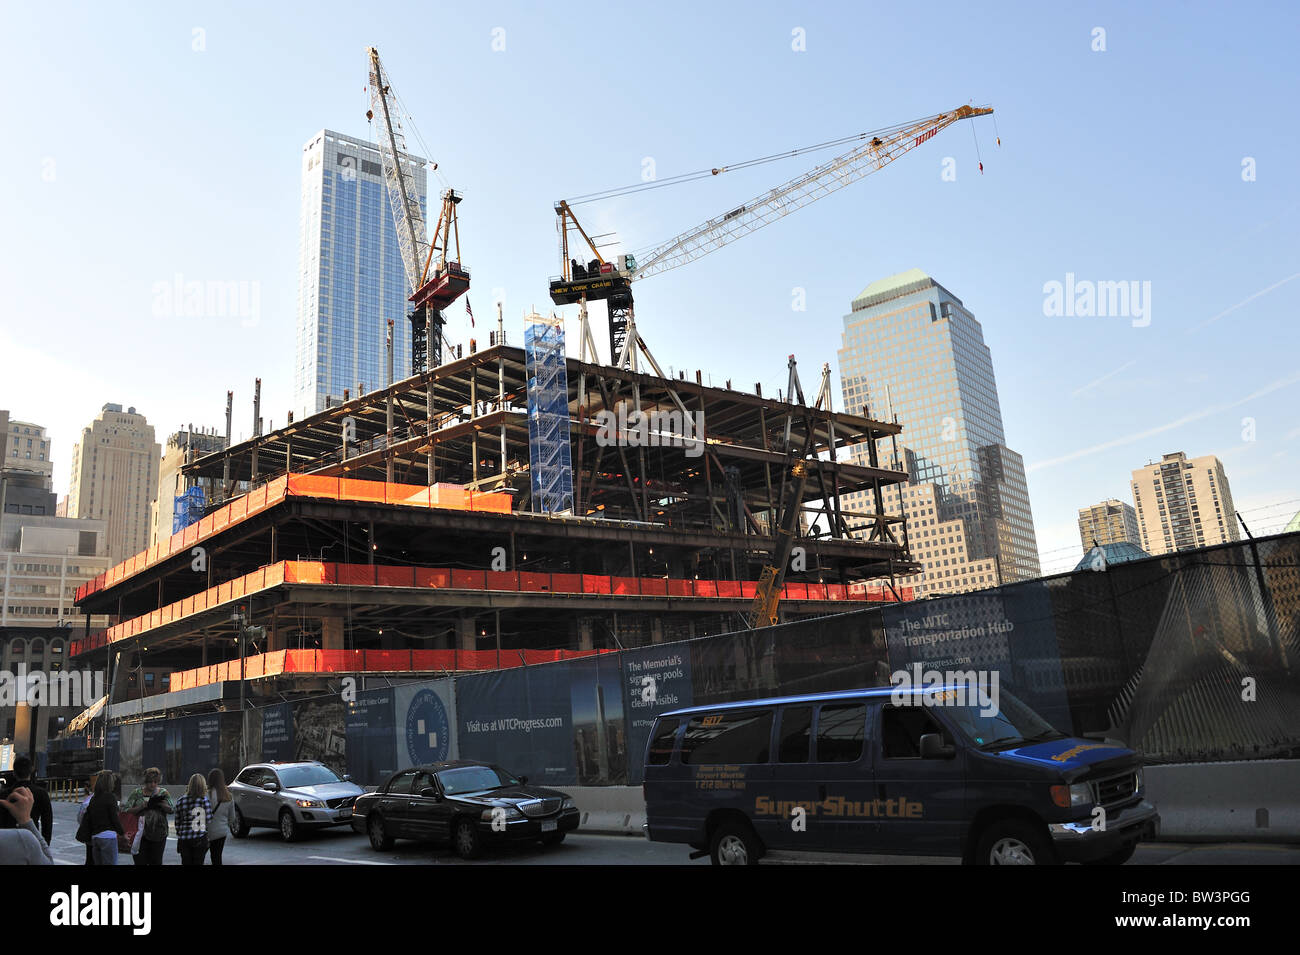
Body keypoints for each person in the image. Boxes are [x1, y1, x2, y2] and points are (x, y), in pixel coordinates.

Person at [124, 768, 174, 865]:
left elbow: (172, 809)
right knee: (140, 861)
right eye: (150, 782)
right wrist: (141, 807)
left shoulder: (163, 793)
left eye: (155, 782)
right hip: (140, 834)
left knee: (156, 861)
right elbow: (126, 810)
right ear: (145, 782)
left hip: (159, 834)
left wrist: (162, 805)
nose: (153, 784)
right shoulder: (137, 793)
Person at [0, 787, 53, 865]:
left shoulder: (4, 793)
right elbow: (47, 820)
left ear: (14, 774)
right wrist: (25, 820)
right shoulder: (24, 838)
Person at [82, 771, 125, 866]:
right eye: (113, 782)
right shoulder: (110, 797)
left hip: (95, 837)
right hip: (108, 836)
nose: (114, 785)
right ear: (109, 784)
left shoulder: (94, 798)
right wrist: (122, 833)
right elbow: (114, 818)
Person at [9, 756, 53, 846]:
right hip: (32, 840)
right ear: (31, 771)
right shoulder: (41, 793)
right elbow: (47, 823)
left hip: (9, 841)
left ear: (14, 773)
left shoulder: (5, 795)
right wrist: (45, 844)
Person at [174, 773, 212, 866]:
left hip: (184, 839)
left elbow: (177, 822)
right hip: (199, 838)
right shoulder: (204, 800)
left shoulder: (181, 800)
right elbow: (209, 819)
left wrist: (181, 832)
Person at [206, 768, 234, 866]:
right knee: (217, 858)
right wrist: (224, 824)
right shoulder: (229, 796)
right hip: (221, 832)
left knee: (198, 857)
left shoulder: (206, 795)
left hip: (207, 832)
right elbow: (232, 818)